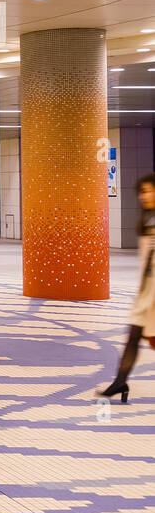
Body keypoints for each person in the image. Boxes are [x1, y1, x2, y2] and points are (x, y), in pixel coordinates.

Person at [98, 172, 155, 403]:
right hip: (147, 290)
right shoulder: (147, 219)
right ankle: (120, 382)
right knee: (133, 336)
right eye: (142, 192)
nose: (145, 196)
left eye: (149, 190)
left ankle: (121, 382)